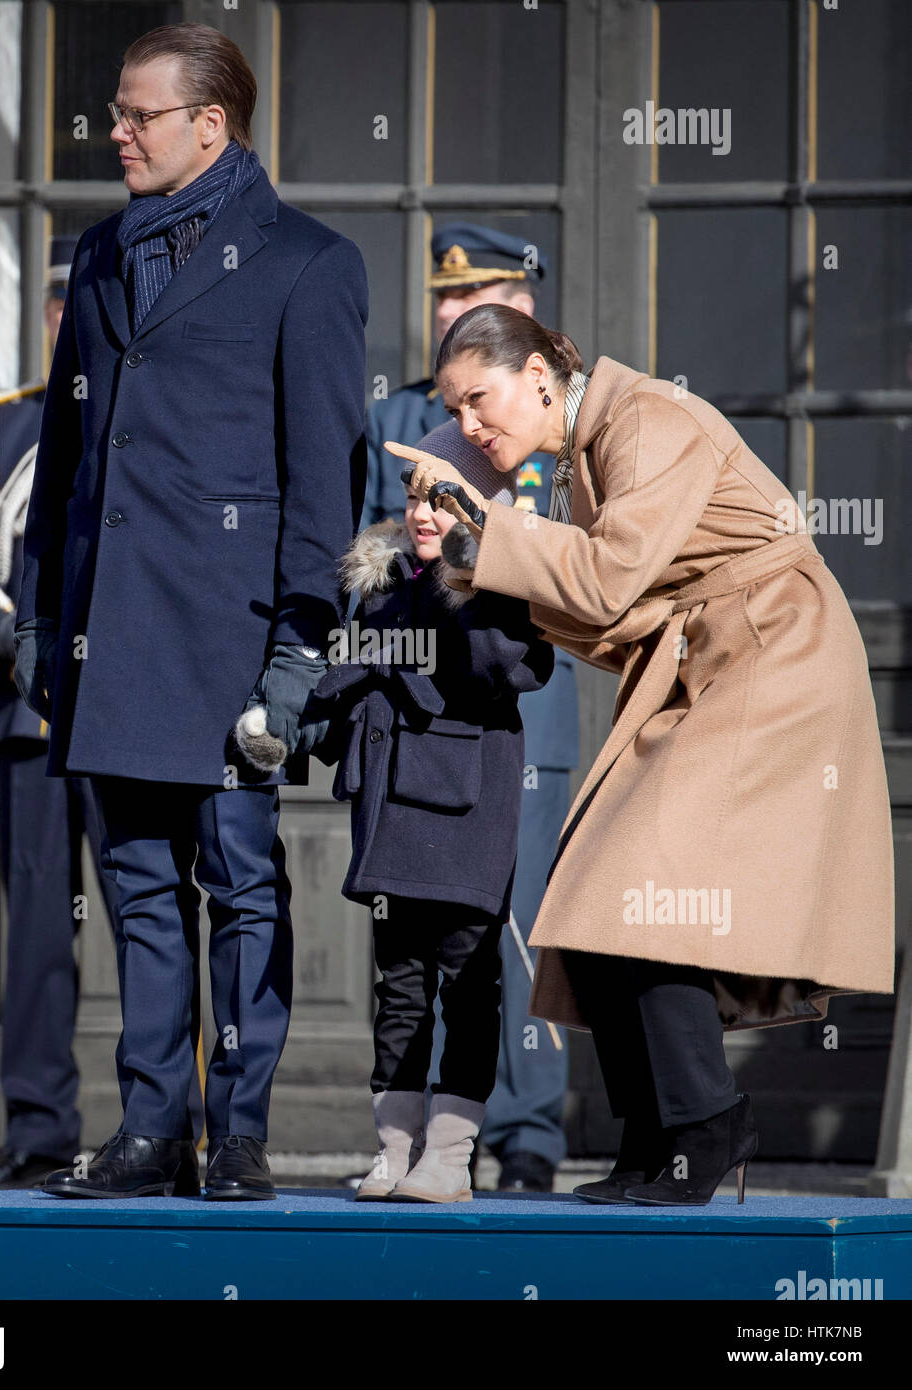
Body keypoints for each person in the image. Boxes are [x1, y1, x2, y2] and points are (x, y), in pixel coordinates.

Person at [393, 303, 894, 1206]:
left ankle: (706, 1128)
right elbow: (614, 613)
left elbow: (607, 579)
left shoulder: (646, 419)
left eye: (478, 399)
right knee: (592, 897)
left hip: (772, 657)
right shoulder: (587, 451)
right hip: (710, 660)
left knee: (636, 889)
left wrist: (484, 528)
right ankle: (657, 1136)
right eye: (452, 406)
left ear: (539, 376)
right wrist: (484, 555)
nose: (469, 423)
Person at [13, 22, 368, 1201]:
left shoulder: (308, 263)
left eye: (136, 115)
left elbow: (326, 478)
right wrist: (34, 615)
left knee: (243, 887)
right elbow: (62, 462)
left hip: (232, 637)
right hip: (110, 634)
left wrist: (296, 649)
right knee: (139, 891)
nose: (113, 131)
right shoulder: (105, 253)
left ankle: (243, 1130)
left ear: (208, 126)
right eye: (116, 113)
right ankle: (151, 1130)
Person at [364, 222, 576, 1192]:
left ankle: (526, 1130)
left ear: (522, 305)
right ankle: (422, 1134)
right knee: (419, 931)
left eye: (473, 295)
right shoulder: (409, 414)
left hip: (528, 697)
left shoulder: (557, 410)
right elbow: (375, 540)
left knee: (515, 915)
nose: (450, 311)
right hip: (429, 698)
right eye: (442, 299)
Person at [306, 419, 552, 1202]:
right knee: (399, 984)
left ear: (477, 514)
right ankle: (393, 1148)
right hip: (391, 812)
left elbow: (502, 671)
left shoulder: (496, 587)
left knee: (467, 980)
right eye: (415, 499)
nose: (421, 515)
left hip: (462, 810)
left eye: (441, 502)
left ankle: (449, 1157)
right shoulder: (382, 587)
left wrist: (466, 574)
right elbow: (347, 681)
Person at [0, 239, 130, 1193]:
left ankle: (160, 1129)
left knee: (148, 923)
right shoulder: (3, 426)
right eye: (54, 307)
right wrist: (17, 647)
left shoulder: (136, 410)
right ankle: (39, 1130)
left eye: (78, 305)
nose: (65, 320)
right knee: (36, 939)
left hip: (122, 708)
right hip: (29, 714)